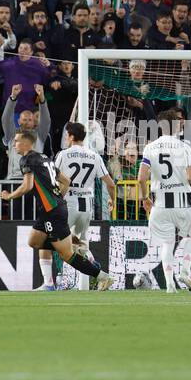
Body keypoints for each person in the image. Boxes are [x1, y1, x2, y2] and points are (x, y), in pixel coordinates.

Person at [0, 131, 116, 291]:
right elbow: (66, 181)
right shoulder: (44, 158)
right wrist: (57, 197)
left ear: (27, 143)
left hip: (52, 210)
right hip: (52, 209)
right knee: (34, 241)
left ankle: (103, 276)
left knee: (66, 255)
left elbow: (27, 186)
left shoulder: (27, 159)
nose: (14, 144)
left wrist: (9, 196)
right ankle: (52, 276)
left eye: (17, 141)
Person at [136, 109, 191, 293]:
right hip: (183, 203)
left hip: (160, 204)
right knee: (190, 237)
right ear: (176, 125)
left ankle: (170, 285)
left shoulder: (150, 147)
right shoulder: (185, 146)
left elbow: (141, 178)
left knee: (167, 243)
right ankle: (185, 271)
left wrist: (144, 198)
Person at [52, 121, 118, 290]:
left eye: (67, 135)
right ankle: (100, 276)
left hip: (68, 203)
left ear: (72, 136)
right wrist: (112, 199)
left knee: (57, 243)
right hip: (86, 206)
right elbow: (110, 184)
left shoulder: (64, 155)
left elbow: (54, 179)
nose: (66, 138)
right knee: (80, 244)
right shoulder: (94, 156)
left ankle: (58, 281)